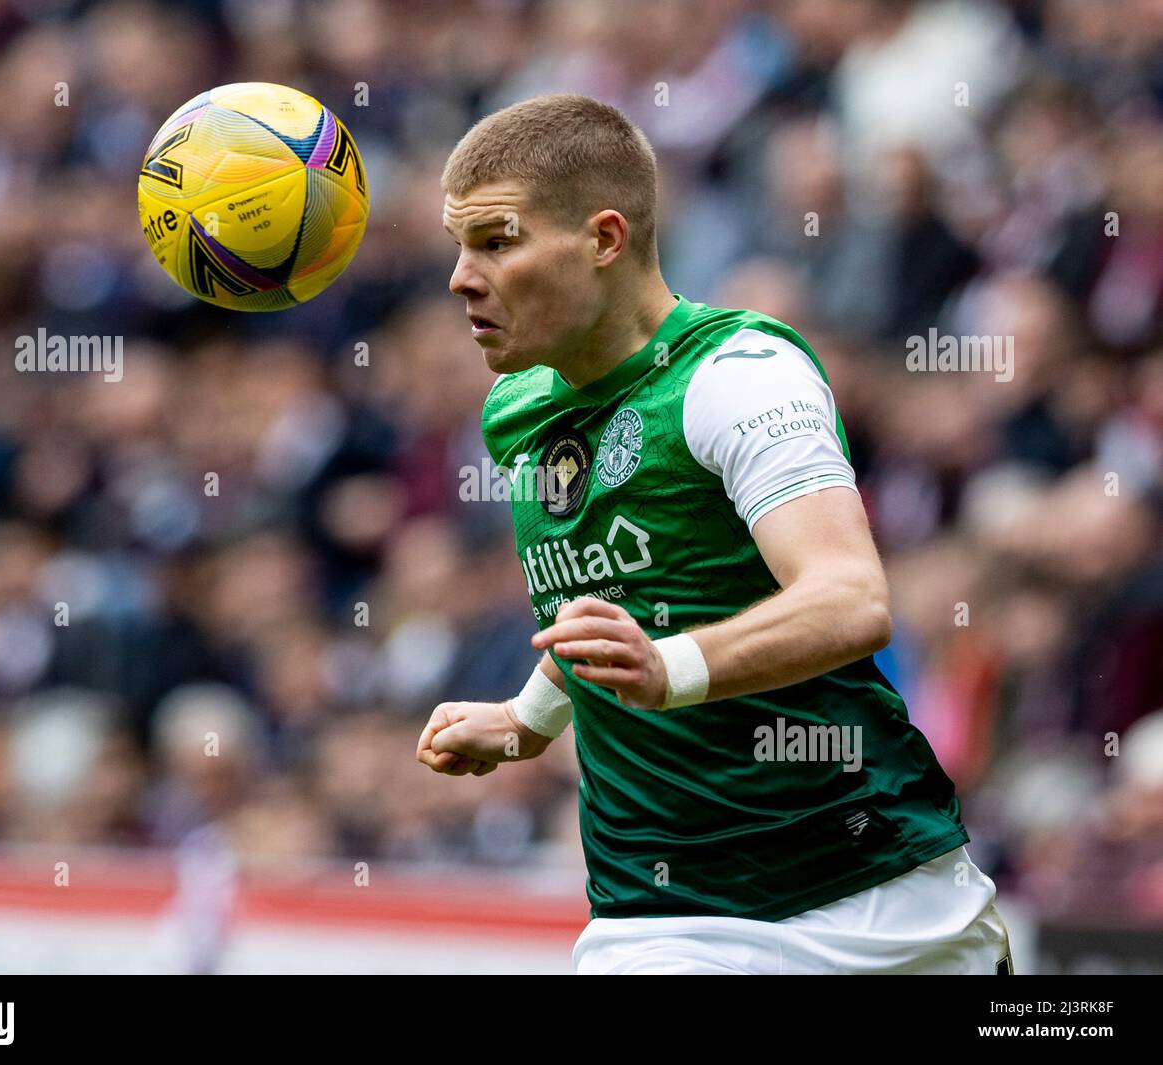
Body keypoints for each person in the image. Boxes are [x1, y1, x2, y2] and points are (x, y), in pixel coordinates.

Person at [416, 94, 1011, 975]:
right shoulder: (517, 410)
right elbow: (614, 599)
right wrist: (526, 718)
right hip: (663, 917)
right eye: (459, 247)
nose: (462, 277)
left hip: (877, 895)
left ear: (605, 239)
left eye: (497, 243)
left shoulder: (741, 377)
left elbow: (848, 598)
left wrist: (669, 670)